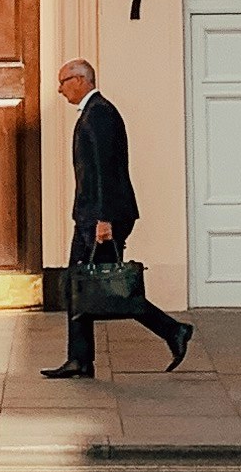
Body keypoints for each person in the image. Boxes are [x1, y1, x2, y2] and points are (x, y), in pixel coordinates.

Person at [41, 56, 192, 379]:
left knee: (113, 289)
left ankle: (173, 330)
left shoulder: (100, 114)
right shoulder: (94, 113)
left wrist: (104, 219)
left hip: (101, 218)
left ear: (81, 80)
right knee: (79, 285)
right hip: (91, 216)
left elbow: (106, 172)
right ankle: (80, 359)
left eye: (63, 81)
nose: (59, 89)